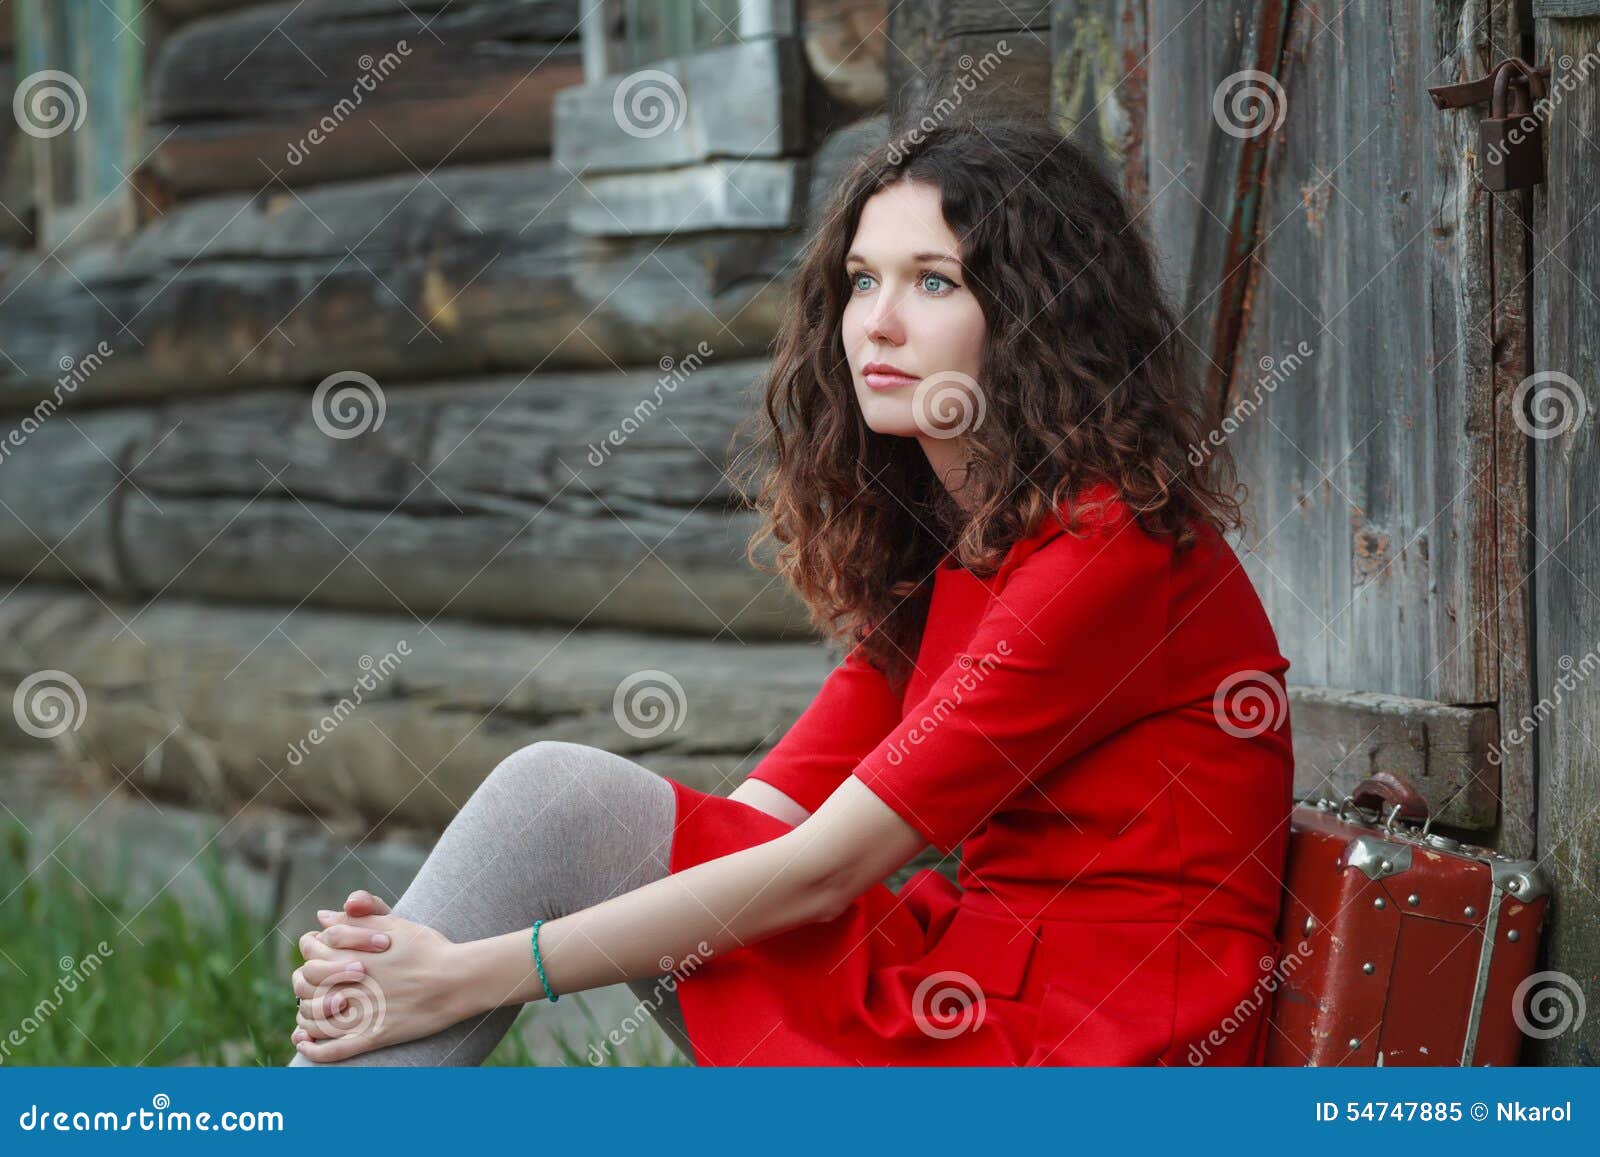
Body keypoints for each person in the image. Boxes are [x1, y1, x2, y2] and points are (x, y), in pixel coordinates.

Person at [286, 109, 1295, 1067]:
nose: (878, 325)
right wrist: (446, 949)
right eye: (861, 280)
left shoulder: (1107, 556)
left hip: (1077, 1048)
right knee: (567, 812)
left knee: (560, 800)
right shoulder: (969, 555)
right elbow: (766, 811)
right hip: (981, 991)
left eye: (934, 282)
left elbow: (822, 866)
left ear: (1040, 315)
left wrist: (470, 971)